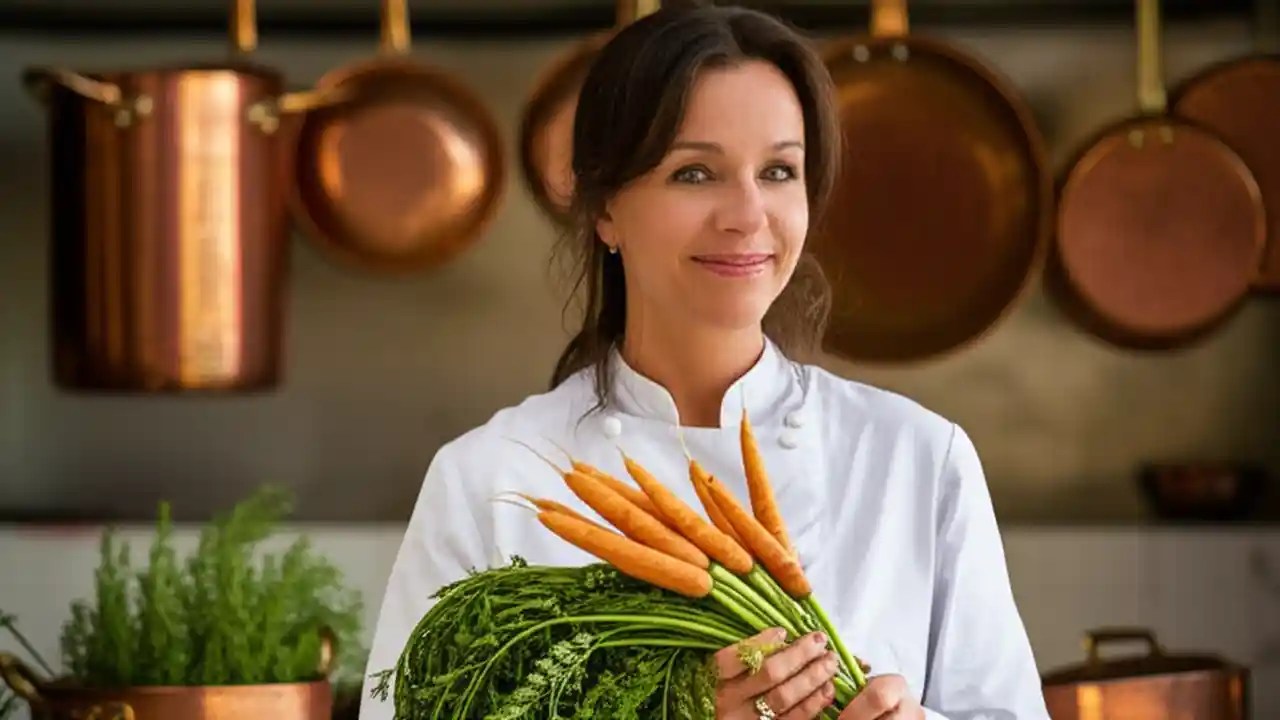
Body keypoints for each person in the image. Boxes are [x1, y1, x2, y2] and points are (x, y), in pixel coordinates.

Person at [358, 4, 1050, 719]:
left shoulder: (917, 460)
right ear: (605, 210)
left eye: (780, 170)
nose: (748, 215)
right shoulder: (494, 478)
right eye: (695, 173)